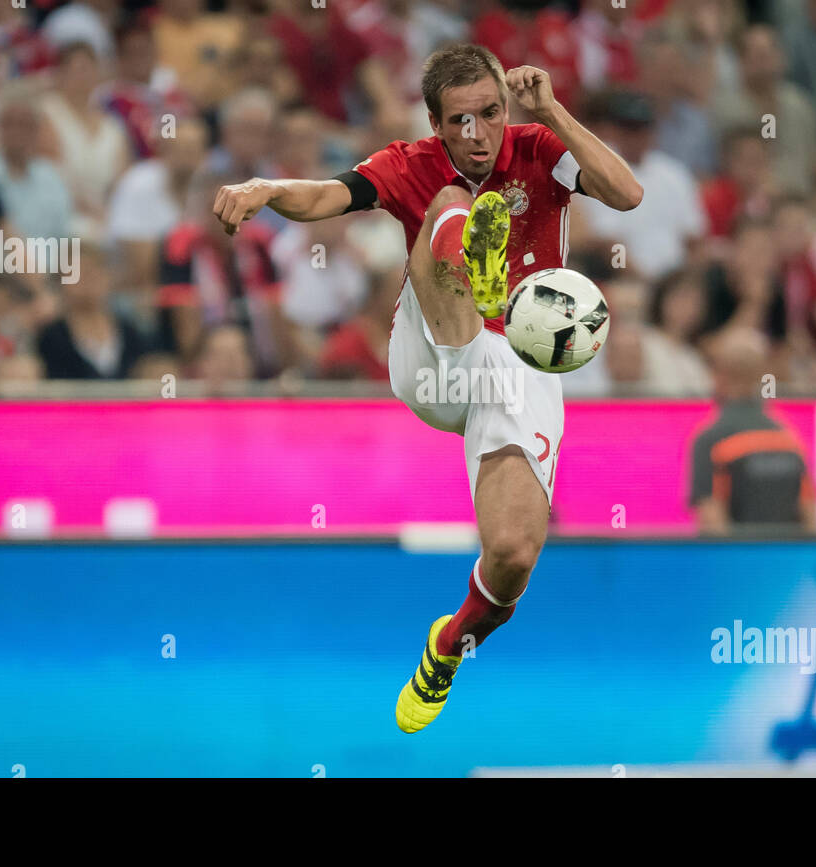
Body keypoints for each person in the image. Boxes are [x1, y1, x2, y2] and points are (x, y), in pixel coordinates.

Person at [213, 44, 642, 733]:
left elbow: (627, 193)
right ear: (436, 123)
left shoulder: (538, 146)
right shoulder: (410, 163)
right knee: (448, 202)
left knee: (513, 556)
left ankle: (448, 646)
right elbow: (327, 196)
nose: (477, 135)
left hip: (517, 366)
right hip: (434, 357)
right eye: (460, 121)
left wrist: (552, 110)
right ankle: (478, 272)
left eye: (490, 115)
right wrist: (266, 189)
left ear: (506, 107)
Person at [688, 327, 816, 534]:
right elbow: (811, 520)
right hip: (789, 563)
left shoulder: (709, 441)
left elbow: (712, 523)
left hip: (740, 563)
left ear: (719, 377)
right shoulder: (789, 440)